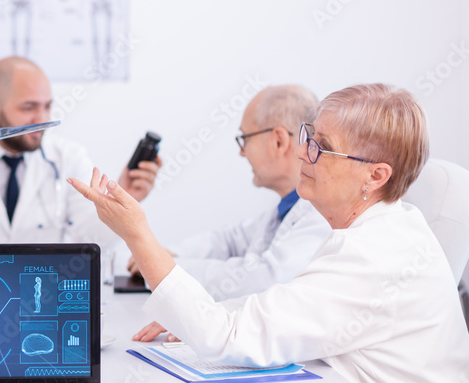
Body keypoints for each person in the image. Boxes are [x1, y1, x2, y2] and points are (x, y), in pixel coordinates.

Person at [70, 84, 469, 383]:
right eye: (309, 137)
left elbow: (225, 337)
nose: (302, 152)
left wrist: (137, 235)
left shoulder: (374, 255)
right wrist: (198, 311)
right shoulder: (376, 231)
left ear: (375, 175)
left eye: (322, 147)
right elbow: (279, 305)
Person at [0, 56, 159, 245]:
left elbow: (91, 242)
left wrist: (122, 205)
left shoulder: (68, 158)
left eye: (47, 106)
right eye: (28, 108)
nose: (42, 119)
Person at [128, 85, 331, 299]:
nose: (242, 152)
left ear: (278, 141)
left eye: (245, 139)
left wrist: (163, 267)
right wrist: (166, 255)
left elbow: (265, 280)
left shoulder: (322, 216)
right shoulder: (286, 209)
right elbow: (231, 241)